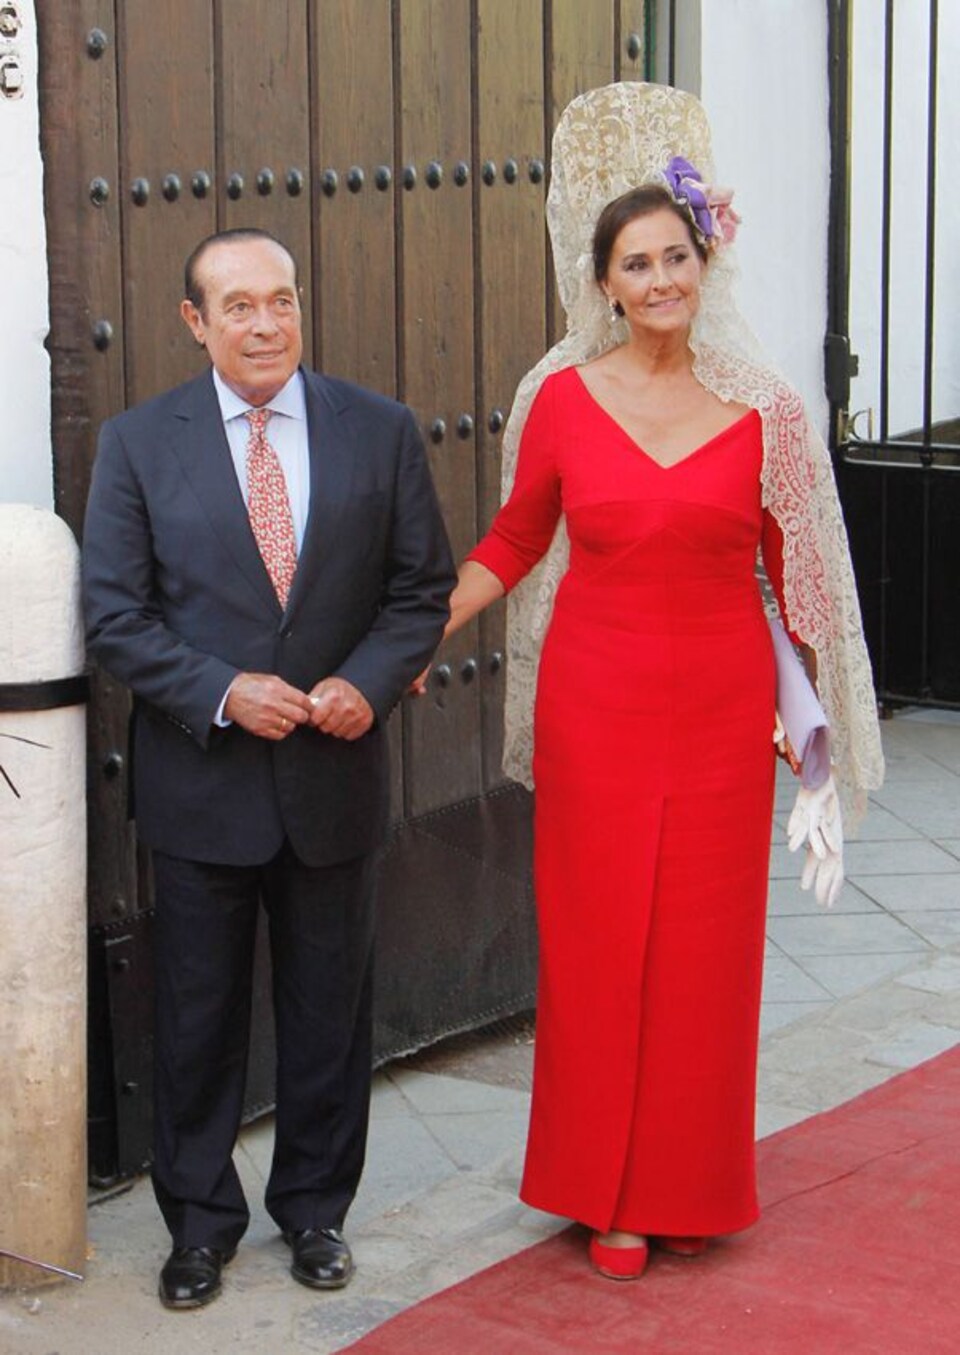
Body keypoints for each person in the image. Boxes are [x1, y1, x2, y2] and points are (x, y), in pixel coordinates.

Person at [430, 83, 884, 1280]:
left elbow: (801, 581)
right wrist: (428, 626)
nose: (660, 279)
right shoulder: (567, 403)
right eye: (636, 263)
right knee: (596, 949)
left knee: (703, 954)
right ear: (607, 284)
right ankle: (605, 1194)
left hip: (723, 716)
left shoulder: (769, 412)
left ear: (704, 262)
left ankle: (685, 1184)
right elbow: (517, 539)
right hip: (596, 710)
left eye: (677, 255)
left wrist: (813, 727)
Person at [82, 228, 455, 1309]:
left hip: (333, 780)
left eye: (281, 300)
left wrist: (370, 681)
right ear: (196, 322)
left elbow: (418, 590)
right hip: (202, 786)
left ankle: (315, 1212)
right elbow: (114, 614)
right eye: (238, 305)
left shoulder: (377, 431)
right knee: (196, 1018)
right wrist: (220, 688)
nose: (265, 323)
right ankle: (198, 1226)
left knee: (330, 1014)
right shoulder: (142, 443)